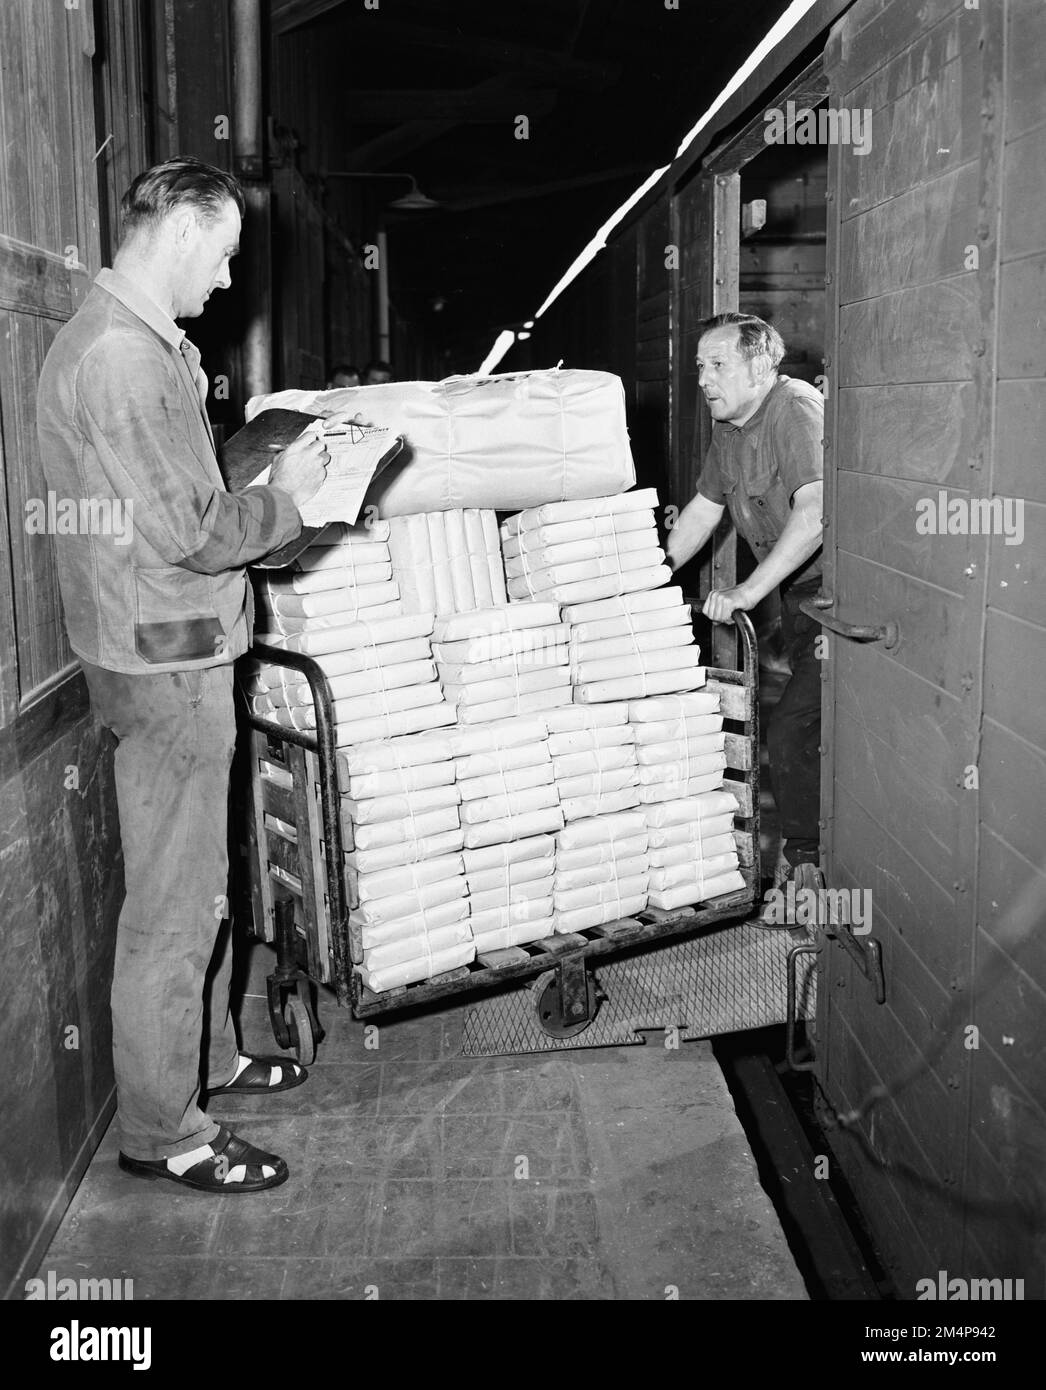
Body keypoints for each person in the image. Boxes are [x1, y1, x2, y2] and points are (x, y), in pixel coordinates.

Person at [36, 157, 329, 1193]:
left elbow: (169, 504)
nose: (227, 278)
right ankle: (166, 1131)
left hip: (162, 649)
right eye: (225, 253)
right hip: (166, 663)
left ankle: (199, 1067)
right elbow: (191, 530)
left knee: (195, 887)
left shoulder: (135, 346)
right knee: (172, 904)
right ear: (181, 232)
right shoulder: (122, 358)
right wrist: (293, 499)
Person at [666, 311, 824, 892]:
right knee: (796, 724)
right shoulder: (729, 428)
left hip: (840, 595)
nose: (704, 379)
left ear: (760, 367)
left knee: (791, 729)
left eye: (718, 365)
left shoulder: (795, 410)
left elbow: (817, 512)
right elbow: (705, 509)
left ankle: (809, 864)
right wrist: (650, 574)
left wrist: (746, 593)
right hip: (802, 596)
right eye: (700, 367)